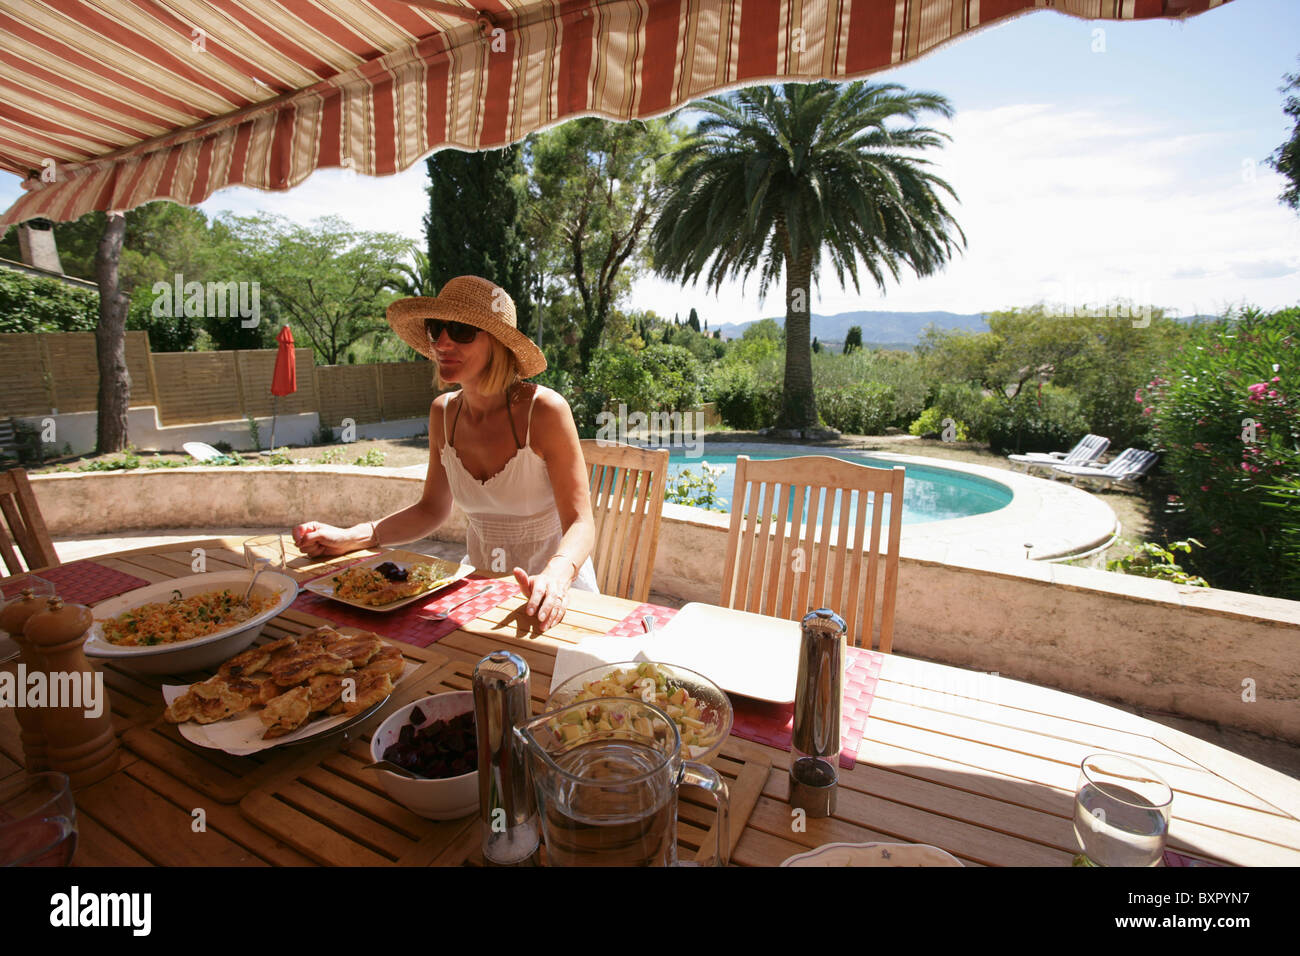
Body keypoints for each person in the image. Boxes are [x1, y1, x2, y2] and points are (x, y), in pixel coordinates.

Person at [293, 275, 597, 632]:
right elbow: (431, 509)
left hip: (554, 592)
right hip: (479, 588)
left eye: (461, 330)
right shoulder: (443, 412)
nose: (442, 342)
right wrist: (351, 537)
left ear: (498, 343)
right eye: (436, 329)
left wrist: (557, 575)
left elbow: (581, 521)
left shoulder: (544, 410)